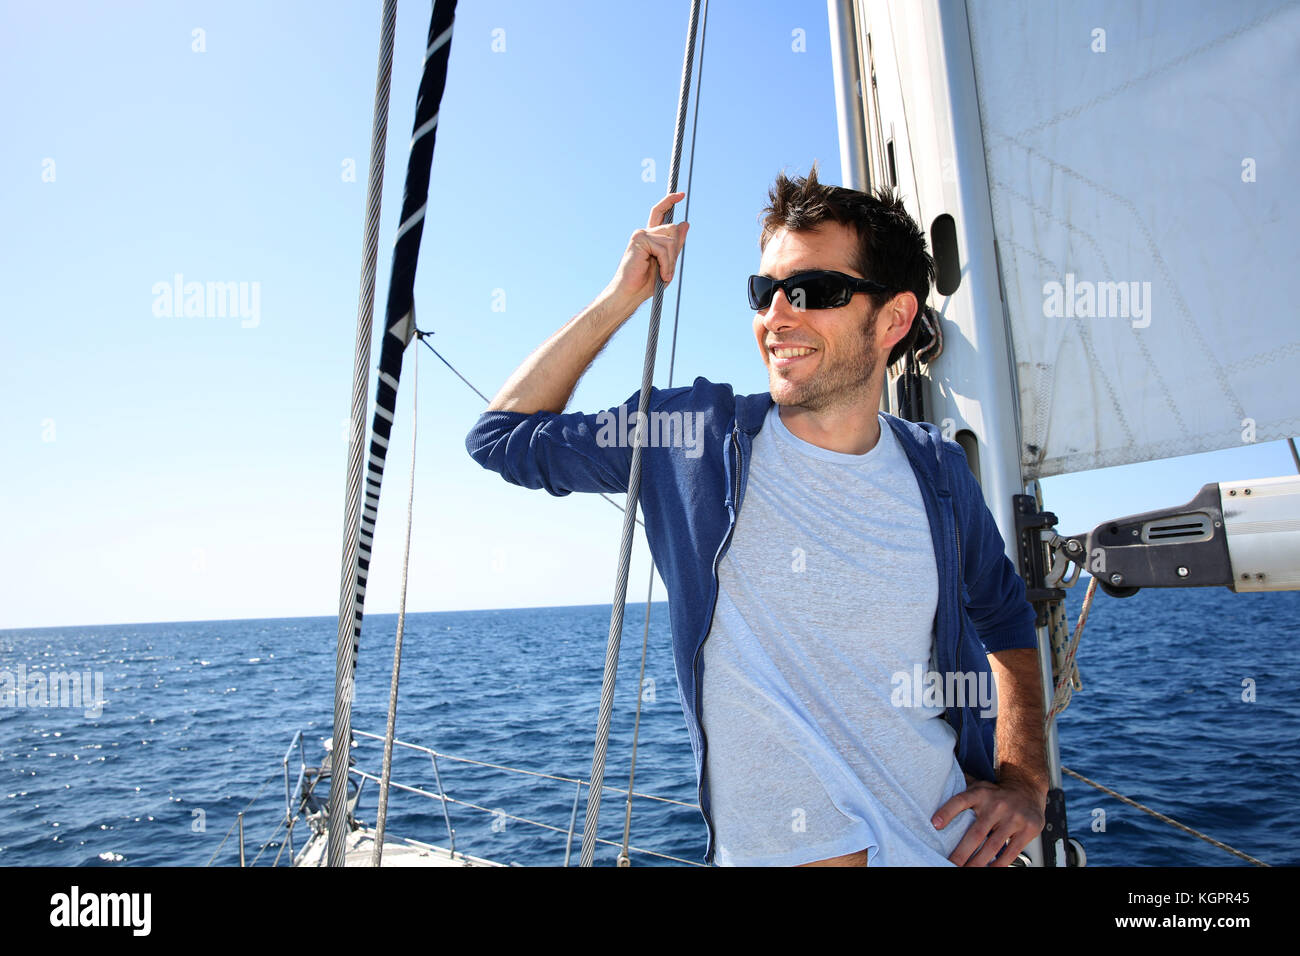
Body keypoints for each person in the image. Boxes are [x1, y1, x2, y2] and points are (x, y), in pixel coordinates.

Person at [465, 163, 1047, 866]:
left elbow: (1006, 618)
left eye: (813, 291)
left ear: (893, 318)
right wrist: (621, 298)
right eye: (764, 291)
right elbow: (500, 438)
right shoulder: (691, 440)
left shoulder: (939, 474)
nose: (776, 315)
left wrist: (1025, 779)